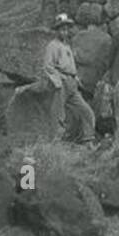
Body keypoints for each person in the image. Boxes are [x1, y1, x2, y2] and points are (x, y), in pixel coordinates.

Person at [41, 13, 96, 144]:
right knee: (58, 115)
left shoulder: (67, 46)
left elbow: (70, 66)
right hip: (62, 83)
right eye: (61, 29)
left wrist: (75, 78)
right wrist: (58, 81)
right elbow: (48, 66)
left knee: (86, 111)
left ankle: (88, 138)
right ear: (57, 30)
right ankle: (55, 144)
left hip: (71, 84)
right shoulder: (53, 46)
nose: (64, 32)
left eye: (66, 29)